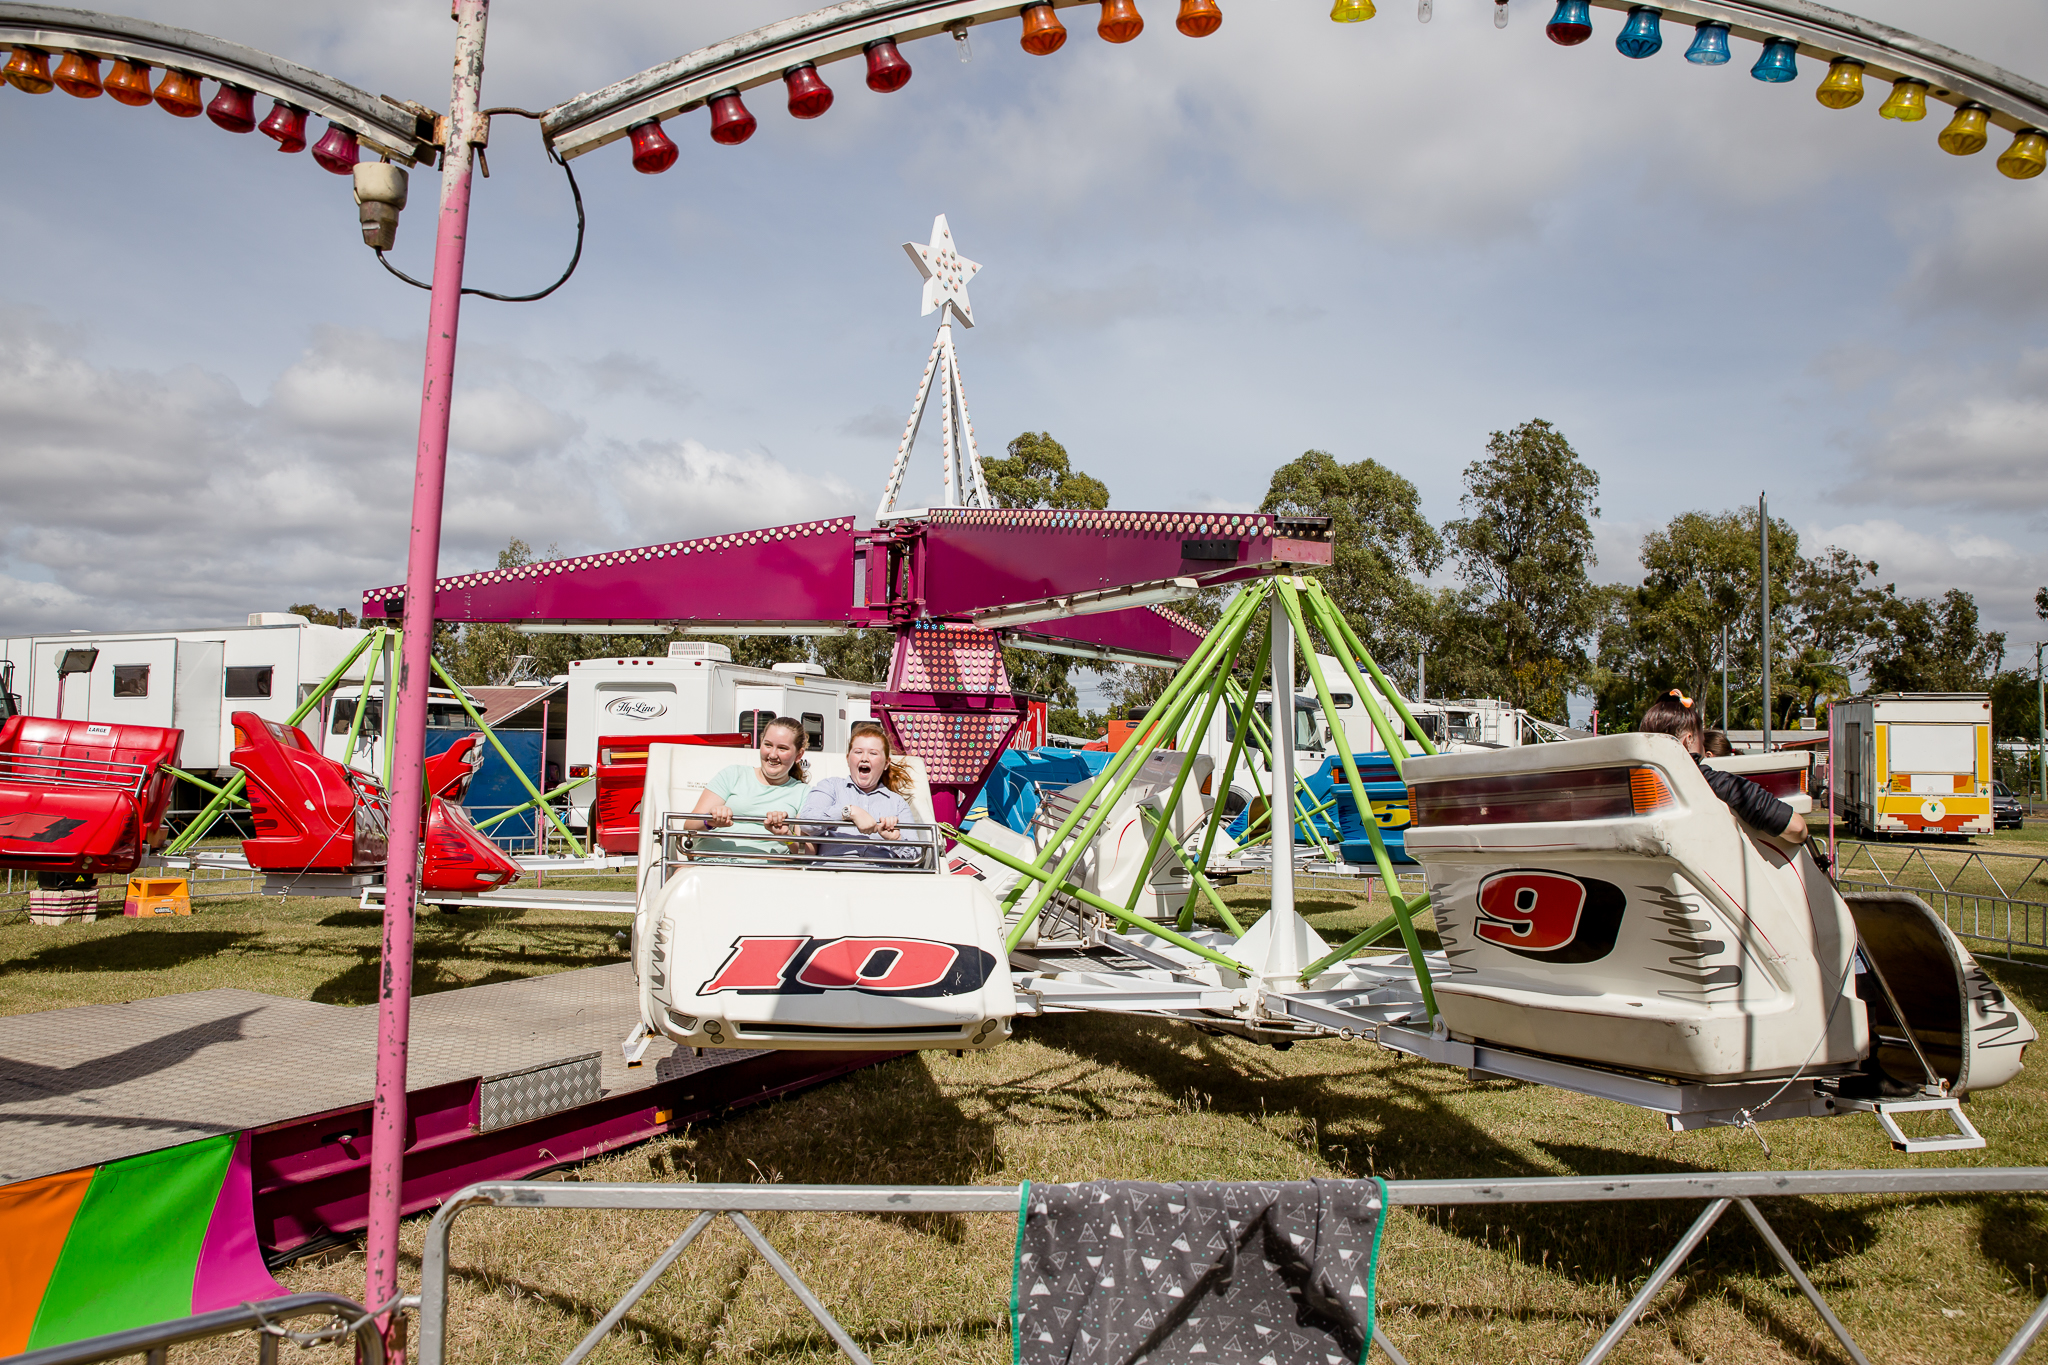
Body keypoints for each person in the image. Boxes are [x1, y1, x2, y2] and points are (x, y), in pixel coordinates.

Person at [1640, 690, 1810, 845]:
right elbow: (1797, 828)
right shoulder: (1719, 785)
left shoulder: (1637, 790)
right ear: (1688, 740)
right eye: (1702, 738)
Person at [680, 717, 810, 860]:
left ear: (799, 755)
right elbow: (689, 826)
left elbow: (808, 853)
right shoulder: (733, 774)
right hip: (710, 862)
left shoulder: (804, 793)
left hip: (763, 870)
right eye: (768, 745)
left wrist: (786, 836)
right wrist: (710, 821)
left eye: (782, 748)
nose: (773, 755)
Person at [798, 722, 921, 863]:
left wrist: (895, 840)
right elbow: (806, 822)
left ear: (886, 763)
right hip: (833, 870)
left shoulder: (897, 803)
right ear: (848, 759)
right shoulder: (830, 787)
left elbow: (916, 858)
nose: (864, 758)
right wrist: (847, 812)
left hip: (879, 873)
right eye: (858, 752)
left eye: (873, 753)